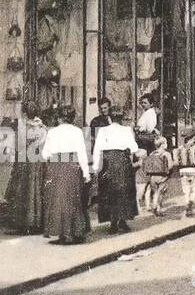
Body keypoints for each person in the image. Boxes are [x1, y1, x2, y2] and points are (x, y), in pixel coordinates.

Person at [41, 106, 91, 244]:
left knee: (56, 199)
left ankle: (62, 234)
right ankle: (73, 232)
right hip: (72, 165)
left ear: (59, 117)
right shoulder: (77, 131)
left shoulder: (52, 132)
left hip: (56, 166)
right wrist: (86, 172)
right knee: (72, 199)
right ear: (72, 117)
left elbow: (45, 153)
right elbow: (81, 153)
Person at [91, 109, 141, 233]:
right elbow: (134, 148)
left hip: (108, 162)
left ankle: (113, 223)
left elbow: (97, 149)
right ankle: (122, 222)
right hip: (122, 161)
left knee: (109, 192)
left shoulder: (103, 131)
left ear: (109, 118)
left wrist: (96, 167)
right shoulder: (126, 130)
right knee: (124, 191)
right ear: (122, 119)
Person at [3, 101, 46, 234]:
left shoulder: (23, 127)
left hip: (24, 162)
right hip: (38, 162)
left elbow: (17, 147)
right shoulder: (43, 127)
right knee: (36, 191)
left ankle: (24, 224)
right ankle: (37, 223)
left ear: (25, 113)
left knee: (23, 191)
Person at [176, 130, 195, 217]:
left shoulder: (181, 147)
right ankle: (190, 205)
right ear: (193, 137)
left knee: (187, 190)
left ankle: (187, 206)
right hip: (194, 170)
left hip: (183, 171)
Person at [140, 136, 174, 215]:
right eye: (166, 143)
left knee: (155, 192)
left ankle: (155, 205)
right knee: (161, 192)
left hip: (152, 177)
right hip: (162, 176)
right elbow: (171, 165)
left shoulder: (152, 153)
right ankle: (158, 208)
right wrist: (168, 172)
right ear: (162, 144)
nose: (167, 144)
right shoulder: (166, 154)